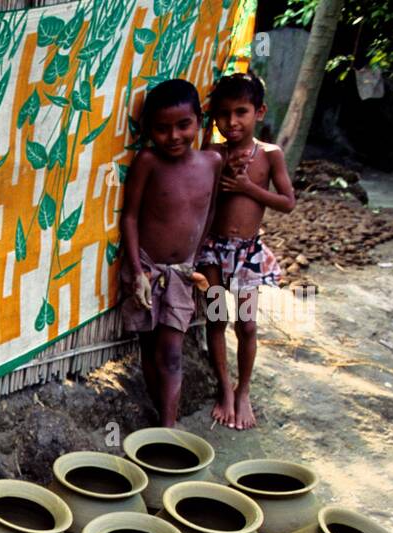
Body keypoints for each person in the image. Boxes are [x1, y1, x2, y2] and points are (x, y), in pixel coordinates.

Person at [119, 79, 221, 428]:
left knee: (173, 351)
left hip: (181, 273)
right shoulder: (148, 161)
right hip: (147, 272)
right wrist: (135, 272)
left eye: (183, 125)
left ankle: (168, 427)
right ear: (149, 130)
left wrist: (193, 257)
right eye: (162, 129)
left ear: (199, 121)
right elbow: (130, 216)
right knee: (149, 348)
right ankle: (161, 418)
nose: (174, 136)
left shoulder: (212, 162)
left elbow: (209, 211)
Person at [198, 71, 296, 430]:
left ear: (260, 112)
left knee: (248, 325)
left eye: (241, 112)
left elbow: (287, 202)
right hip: (211, 250)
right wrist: (223, 173)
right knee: (214, 318)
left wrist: (247, 187)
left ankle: (244, 390)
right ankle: (224, 389)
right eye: (223, 114)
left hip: (248, 255)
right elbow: (200, 197)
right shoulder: (211, 153)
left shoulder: (270, 155)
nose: (231, 122)